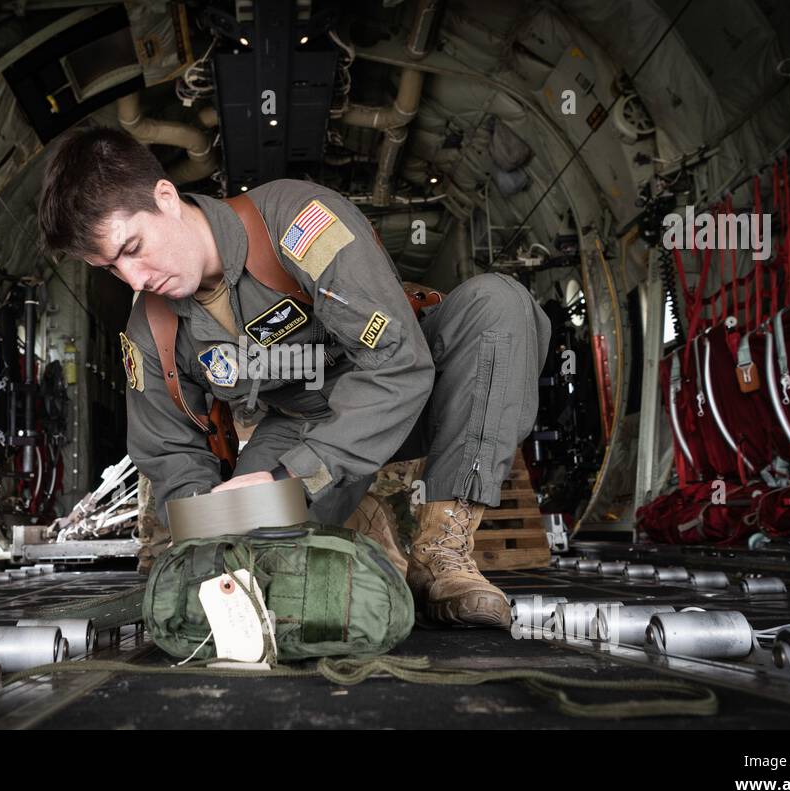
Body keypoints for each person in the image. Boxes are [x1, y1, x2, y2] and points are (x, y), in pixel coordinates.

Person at [37, 126, 550, 627]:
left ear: (166, 197)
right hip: (299, 424)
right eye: (110, 268)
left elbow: (397, 358)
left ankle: (444, 557)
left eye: (131, 248)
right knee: (257, 576)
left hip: (414, 395)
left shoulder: (296, 222)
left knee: (497, 304)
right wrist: (212, 528)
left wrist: (295, 478)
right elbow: (171, 453)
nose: (136, 278)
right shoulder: (151, 328)